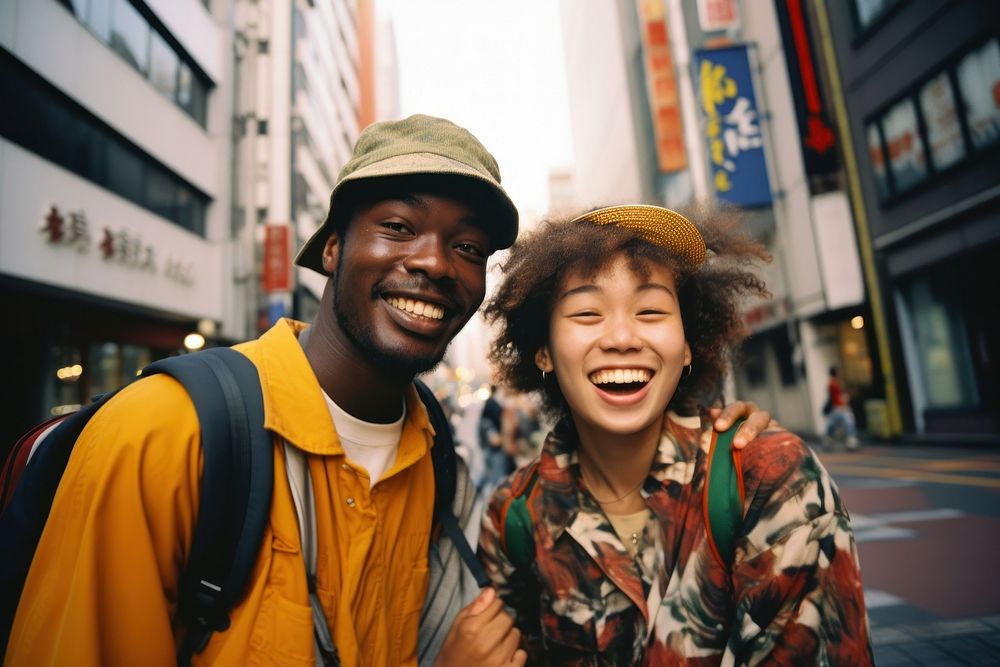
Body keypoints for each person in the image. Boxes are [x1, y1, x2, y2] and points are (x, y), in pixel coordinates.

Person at [5, 116, 776, 667]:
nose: (435, 262)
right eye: (399, 226)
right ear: (332, 247)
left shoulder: (443, 475)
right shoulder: (167, 435)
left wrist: (718, 444)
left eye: (467, 246)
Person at [479, 204, 873, 664]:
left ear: (687, 346)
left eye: (650, 311)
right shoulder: (512, 518)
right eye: (586, 313)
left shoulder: (769, 477)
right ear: (543, 351)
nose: (622, 338)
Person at [825, 366, 860, 450]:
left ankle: (828, 440)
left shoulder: (831, 383)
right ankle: (851, 441)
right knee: (848, 423)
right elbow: (840, 395)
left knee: (832, 424)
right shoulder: (835, 383)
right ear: (836, 373)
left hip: (837, 407)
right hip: (841, 407)